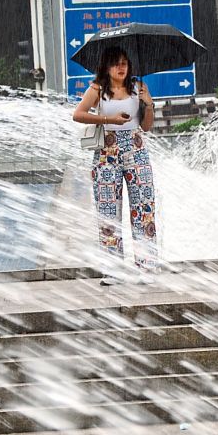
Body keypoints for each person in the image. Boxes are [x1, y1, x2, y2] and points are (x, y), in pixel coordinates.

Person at [72, 47, 157, 286]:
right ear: (107, 67)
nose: (121, 68)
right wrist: (109, 119)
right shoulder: (97, 89)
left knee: (144, 206)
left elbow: (147, 126)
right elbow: (78, 114)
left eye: (125, 63)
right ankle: (114, 269)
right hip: (106, 153)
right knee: (108, 211)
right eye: (116, 64)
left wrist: (148, 104)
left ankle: (146, 265)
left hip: (136, 149)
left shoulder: (138, 88)